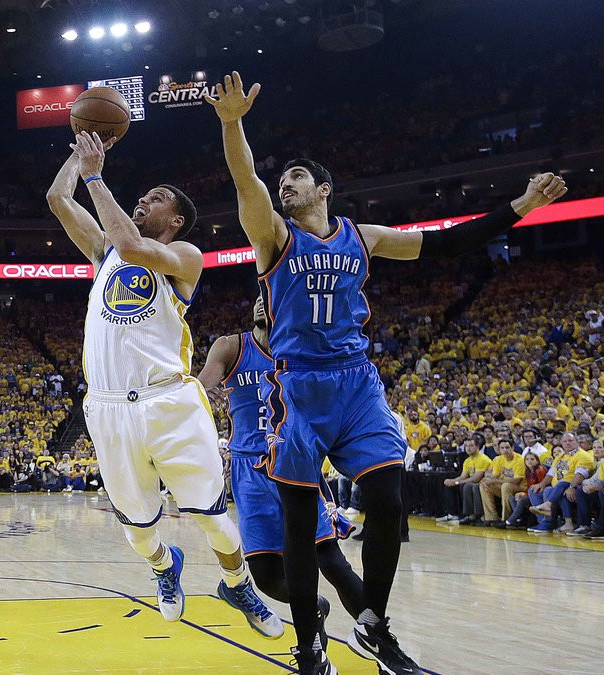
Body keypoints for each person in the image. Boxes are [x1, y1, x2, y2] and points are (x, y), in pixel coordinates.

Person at [205, 70, 567, 674]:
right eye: (282, 180)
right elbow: (245, 179)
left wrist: (522, 206)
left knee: (387, 495)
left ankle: (373, 623)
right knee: (301, 531)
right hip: (297, 388)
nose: (284, 185)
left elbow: (447, 245)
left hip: (355, 382)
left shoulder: (364, 238)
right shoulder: (272, 237)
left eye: (295, 177)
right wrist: (232, 122)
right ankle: (308, 646)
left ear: (323, 188)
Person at [45, 131, 282, 637]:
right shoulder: (102, 250)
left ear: (174, 221)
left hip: (169, 400)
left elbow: (132, 246)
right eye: (143, 194)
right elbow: (58, 200)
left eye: (155, 198)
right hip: (108, 408)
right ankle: (164, 567)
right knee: (138, 532)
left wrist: (95, 173)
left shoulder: (186, 257)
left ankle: (236, 582)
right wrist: (76, 156)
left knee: (214, 518)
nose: (142, 199)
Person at [197, 296, 362, 649]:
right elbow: (203, 386)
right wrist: (207, 393)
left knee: (330, 561)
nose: (260, 303)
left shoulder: (308, 350)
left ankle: (378, 635)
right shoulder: (230, 346)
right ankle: (313, 609)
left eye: (269, 298)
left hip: (294, 462)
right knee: (267, 577)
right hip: (247, 469)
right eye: (257, 298)